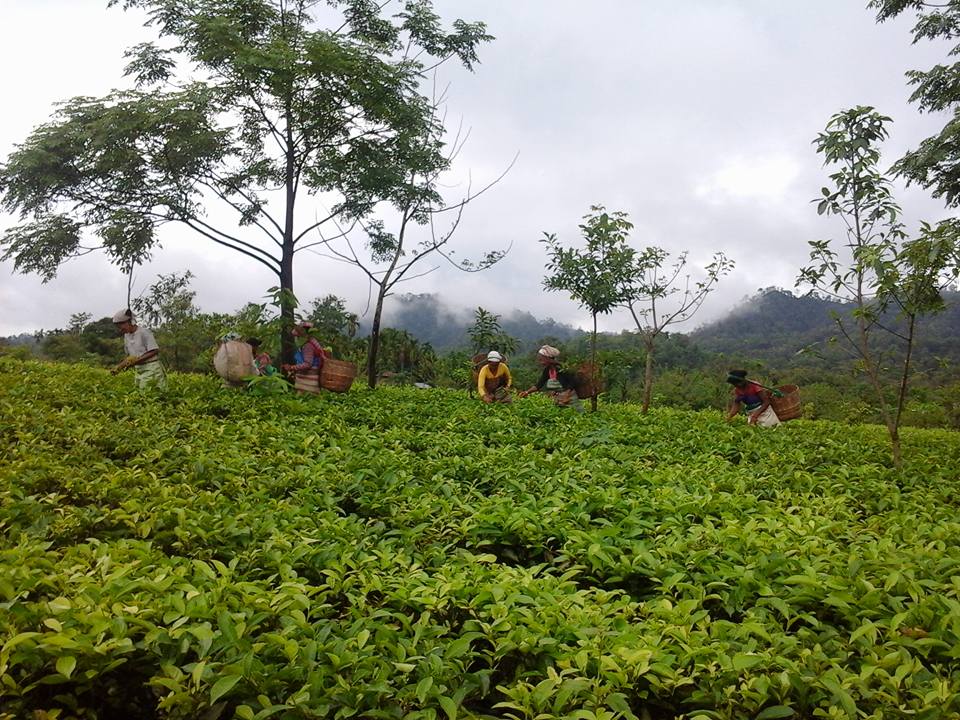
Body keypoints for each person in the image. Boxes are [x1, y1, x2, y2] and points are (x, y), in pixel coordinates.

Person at [110, 309, 167, 391]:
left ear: (129, 322)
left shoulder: (144, 332)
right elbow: (130, 357)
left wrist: (136, 361)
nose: (120, 330)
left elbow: (154, 350)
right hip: (139, 370)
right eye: (118, 328)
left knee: (151, 393)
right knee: (140, 393)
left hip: (151, 368)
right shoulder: (126, 336)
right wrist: (118, 368)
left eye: (121, 326)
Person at [518, 345, 583, 410]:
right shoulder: (547, 370)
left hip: (569, 396)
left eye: (542, 359)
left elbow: (574, 380)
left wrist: (566, 393)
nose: (540, 362)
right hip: (559, 397)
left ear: (548, 358)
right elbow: (539, 384)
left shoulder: (561, 368)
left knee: (576, 412)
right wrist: (527, 392)